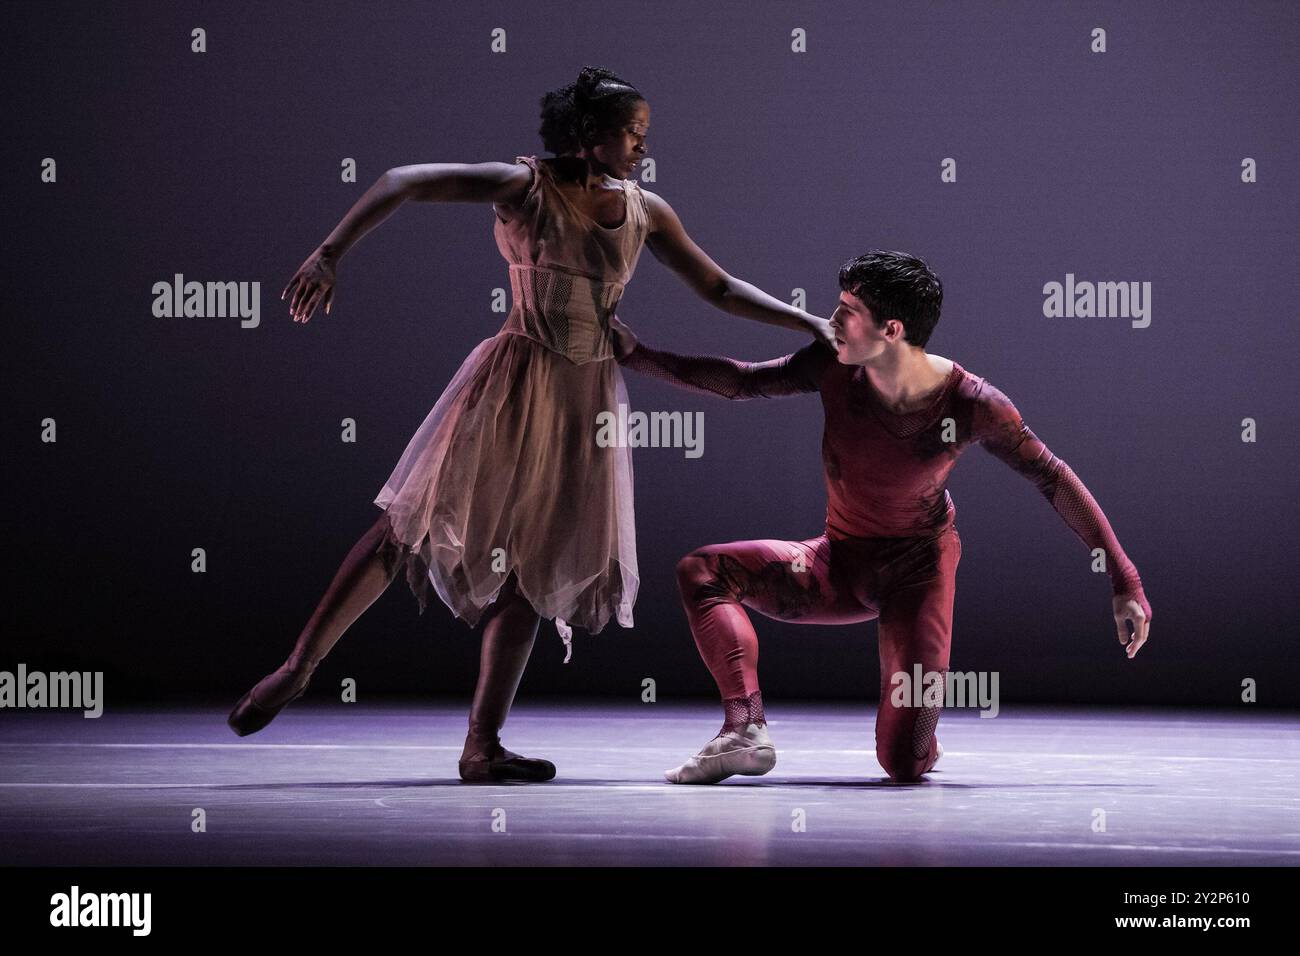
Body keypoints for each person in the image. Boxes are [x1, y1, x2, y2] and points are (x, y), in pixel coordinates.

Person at [226, 66, 833, 783]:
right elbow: (403, 179)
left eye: (644, 135)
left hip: (585, 404)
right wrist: (330, 251)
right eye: (629, 132)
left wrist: (807, 320)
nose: (640, 147)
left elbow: (719, 286)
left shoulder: (645, 210)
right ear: (586, 132)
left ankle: (482, 745)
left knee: (532, 577)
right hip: (515, 379)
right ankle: (301, 666)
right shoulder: (526, 188)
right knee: (410, 523)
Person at [611, 250, 1152, 784]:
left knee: (903, 764)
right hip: (838, 563)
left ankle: (921, 730)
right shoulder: (833, 364)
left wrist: (1123, 577)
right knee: (703, 571)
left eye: (848, 310)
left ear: (891, 329)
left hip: (917, 575)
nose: (832, 320)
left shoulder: (971, 403)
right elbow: (745, 381)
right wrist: (638, 355)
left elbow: (1052, 477)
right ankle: (744, 730)